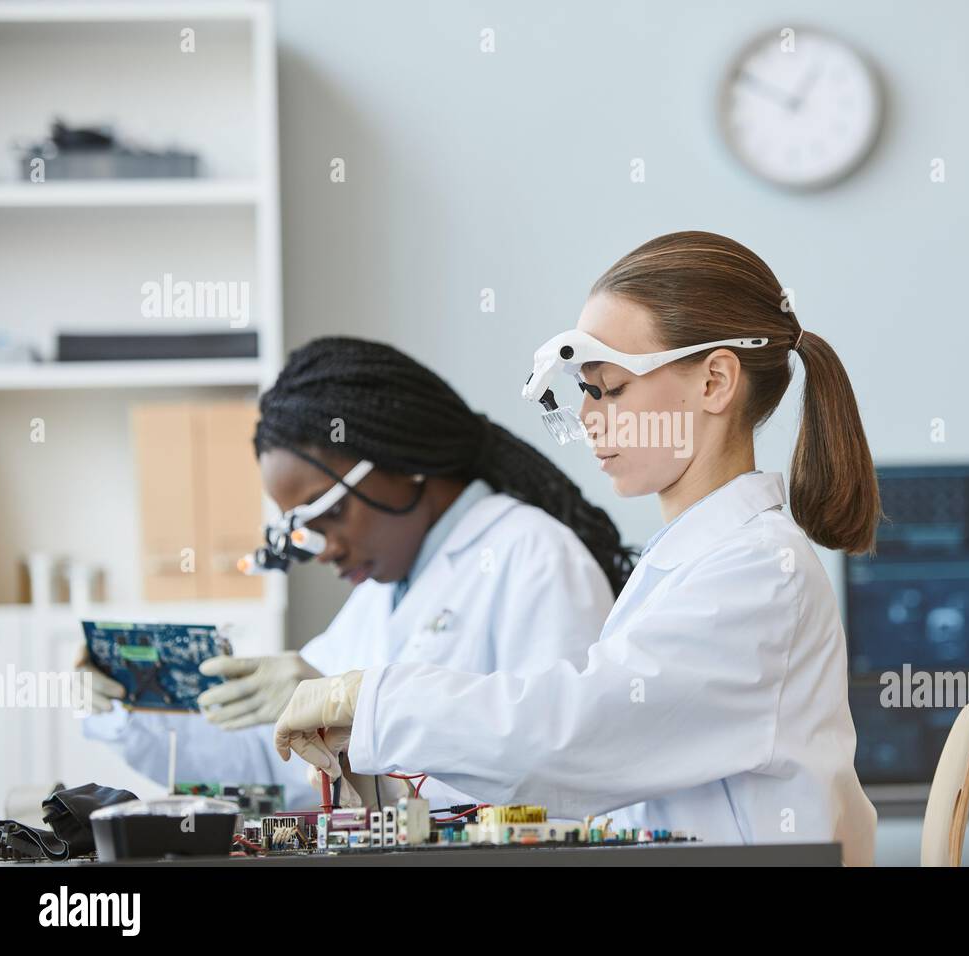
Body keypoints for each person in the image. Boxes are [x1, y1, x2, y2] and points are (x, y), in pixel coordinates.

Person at [274, 232, 883, 864]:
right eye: (584, 392)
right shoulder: (694, 560)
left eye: (611, 387)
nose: (590, 418)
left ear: (715, 382)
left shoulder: (758, 573)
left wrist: (374, 700)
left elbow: (573, 736)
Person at [79, 337, 630, 808]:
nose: (324, 549)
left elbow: (562, 767)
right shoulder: (384, 589)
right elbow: (274, 767)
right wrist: (133, 704)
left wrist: (359, 707)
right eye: (304, 529)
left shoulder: (534, 556)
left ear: (405, 459)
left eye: (333, 512)